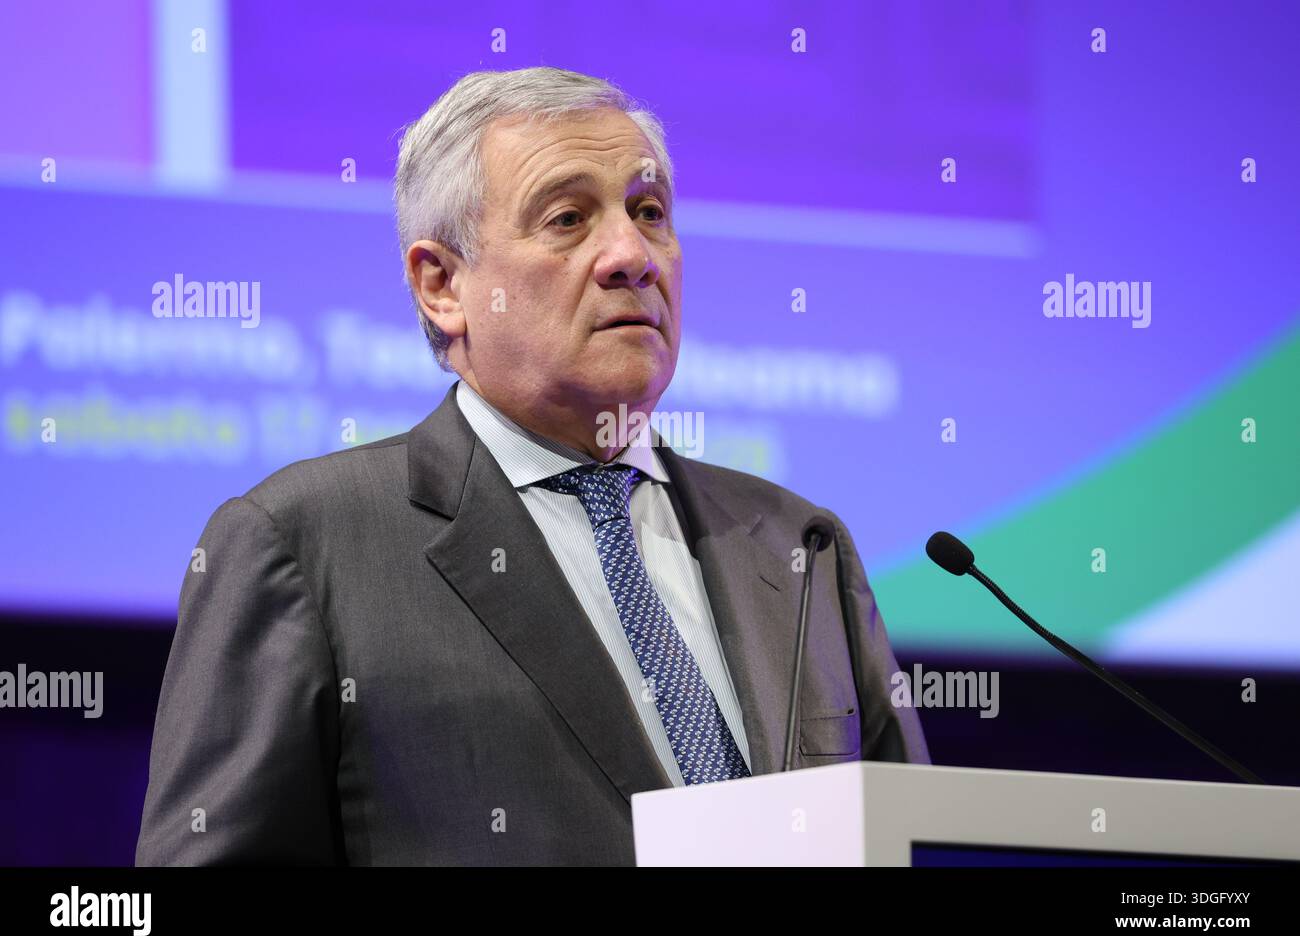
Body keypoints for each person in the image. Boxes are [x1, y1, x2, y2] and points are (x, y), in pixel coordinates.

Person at [136, 66, 929, 866]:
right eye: (568, 218)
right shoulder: (306, 544)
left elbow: (917, 839)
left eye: (649, 212)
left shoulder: (799, 546)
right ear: (441, 284)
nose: (631, 254)